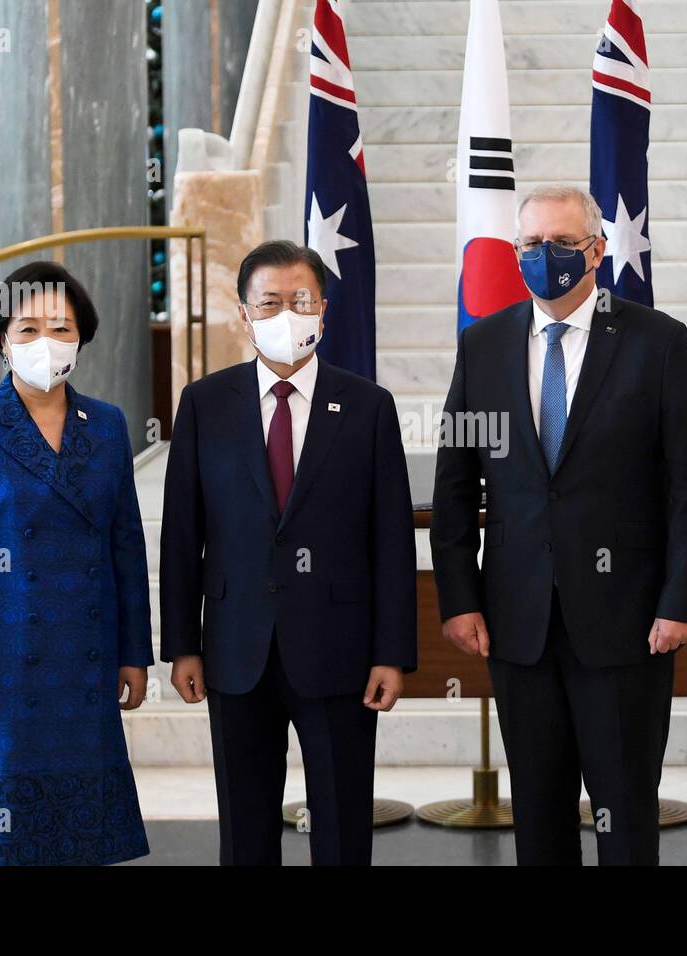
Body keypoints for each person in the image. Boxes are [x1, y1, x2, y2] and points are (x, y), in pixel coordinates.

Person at [430, 184, 687, 865]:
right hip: (517, 624)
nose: (545, 257)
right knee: (538, 817)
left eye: (562, 243)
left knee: (624, 816)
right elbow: (454, 487)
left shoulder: (658, 343)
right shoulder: (485, 346)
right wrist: (460, 598)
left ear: (596, 250)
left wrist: (684, 600)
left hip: (628, 626)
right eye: (531, 245)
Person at [159, 240, 416, 866]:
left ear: (322, 310)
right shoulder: (204, 404)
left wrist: (392, 653)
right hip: (234, 647)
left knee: (343, 822)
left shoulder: (369, 407)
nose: (285, 314)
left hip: (341, 650)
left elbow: (392, 541)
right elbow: (180, 534)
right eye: (268, 302)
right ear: (243, 315)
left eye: (299, 301)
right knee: (245, 828)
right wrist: (182, 644)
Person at [0, 261, 153, 865]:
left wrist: (135, 652)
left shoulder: (106, 425)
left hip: (85, 660)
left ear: (81, 337)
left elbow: (125, 547)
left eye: (60, 328)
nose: (44, 342)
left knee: (82, 837)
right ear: (3, 339)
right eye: (27, 329)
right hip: (4, 664)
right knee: (2, 840)